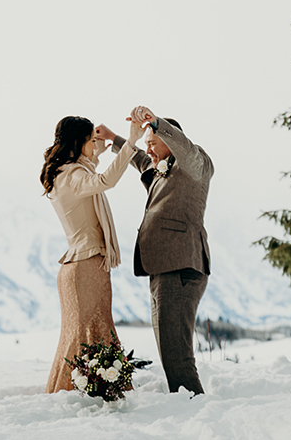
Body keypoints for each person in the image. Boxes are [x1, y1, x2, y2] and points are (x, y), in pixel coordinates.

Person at [110, 105, 214, 395]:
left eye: (154, 143)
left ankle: (194, 407)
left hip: (181, 268)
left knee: (177, 353)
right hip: (161, 268)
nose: (150, 151)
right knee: (169, 351)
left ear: (171, 140)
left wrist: (157, 122)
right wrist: (114, 138)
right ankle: (185, 404)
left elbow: (186, 149)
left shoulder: (195, 165)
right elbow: (141, 160)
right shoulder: (160, 170)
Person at [40, 115, 138, 394]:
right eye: (90, 142)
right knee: (95, 329)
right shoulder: (74, 175)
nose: (94, 146)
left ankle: (72, 391)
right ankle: (90, 393)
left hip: (74, 266)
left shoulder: (62, 172)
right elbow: (103, 180)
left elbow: (88, 171)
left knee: (78, 335)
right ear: (77, 143)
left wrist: (101, 148)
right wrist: (131, 141)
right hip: (87, 266)